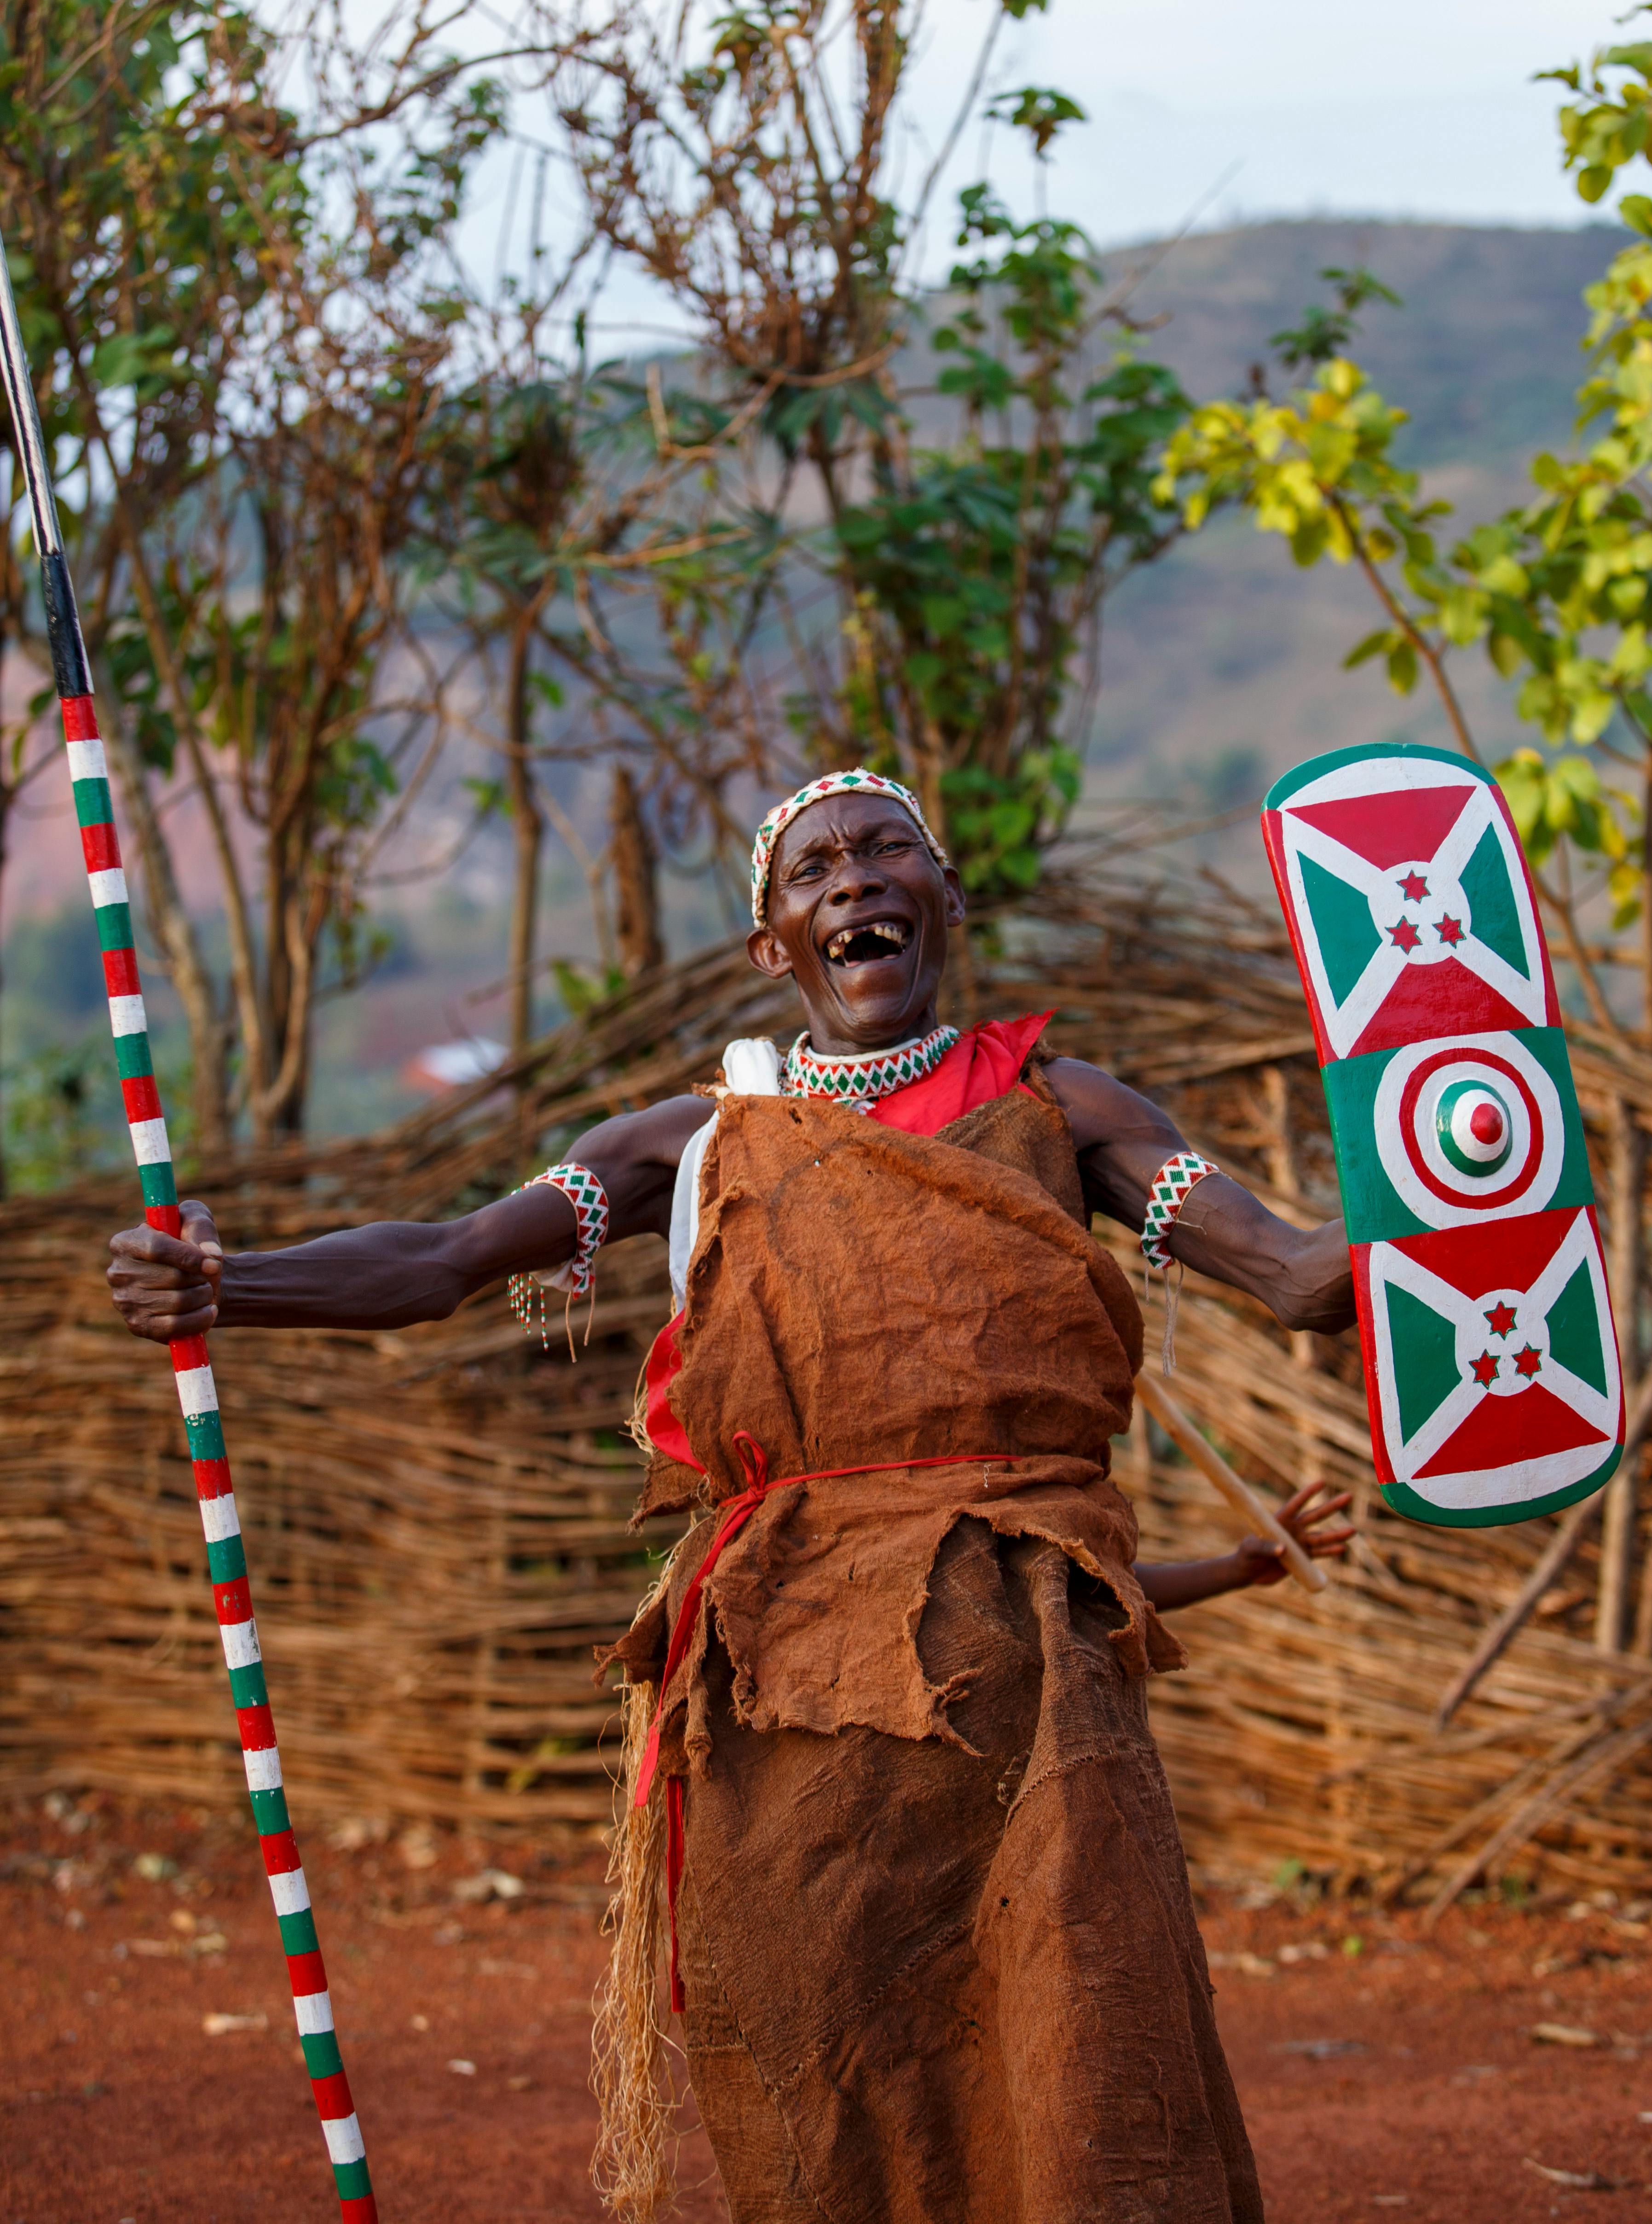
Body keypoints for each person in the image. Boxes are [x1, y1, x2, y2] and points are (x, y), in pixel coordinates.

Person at [108, 769, 1356, 2224]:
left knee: (1088, 2054)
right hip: (788, 1692)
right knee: (841, 2089)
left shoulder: (1062, 1109)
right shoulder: (687, 1149)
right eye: (814, 869)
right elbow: (445, 1261)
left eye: (889, 850)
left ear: (945, 900)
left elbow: (1295, 1274)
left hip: (1039, 1672)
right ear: (777, 947)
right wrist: (230, 1283)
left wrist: (1458, 1168)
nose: (854, 878)